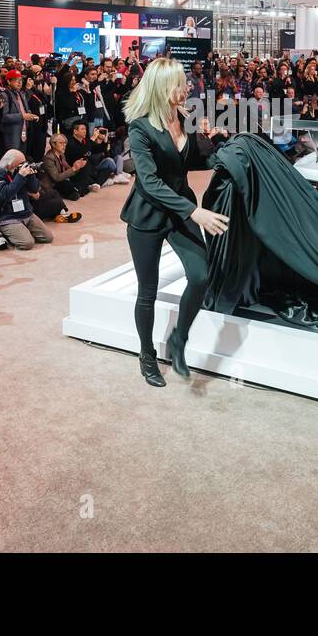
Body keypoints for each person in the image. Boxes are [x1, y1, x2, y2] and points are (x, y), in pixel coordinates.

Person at [121, 58, 229, 388]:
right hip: (148, 215)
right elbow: (150, 181)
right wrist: (193, 211)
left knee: (200, 276)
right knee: (147, 293)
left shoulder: (186, 117)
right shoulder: (140, 127)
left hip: (180, 212)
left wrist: (218, 142)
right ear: (163, 87)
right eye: (181, 83)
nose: (187, 88)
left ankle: (179, 339)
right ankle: (146, 354)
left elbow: (200, 160)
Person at [0, 150, 54, 250]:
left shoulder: (20, 171)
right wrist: (20, 176)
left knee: (48, 237)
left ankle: (20, 230)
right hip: (7, 216)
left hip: (26, 212)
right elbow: (6, 194)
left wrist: (30, 175)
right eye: (22, 163)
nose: (24, 165)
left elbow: (34, 189)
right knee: (27, 243)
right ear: (11, 163)